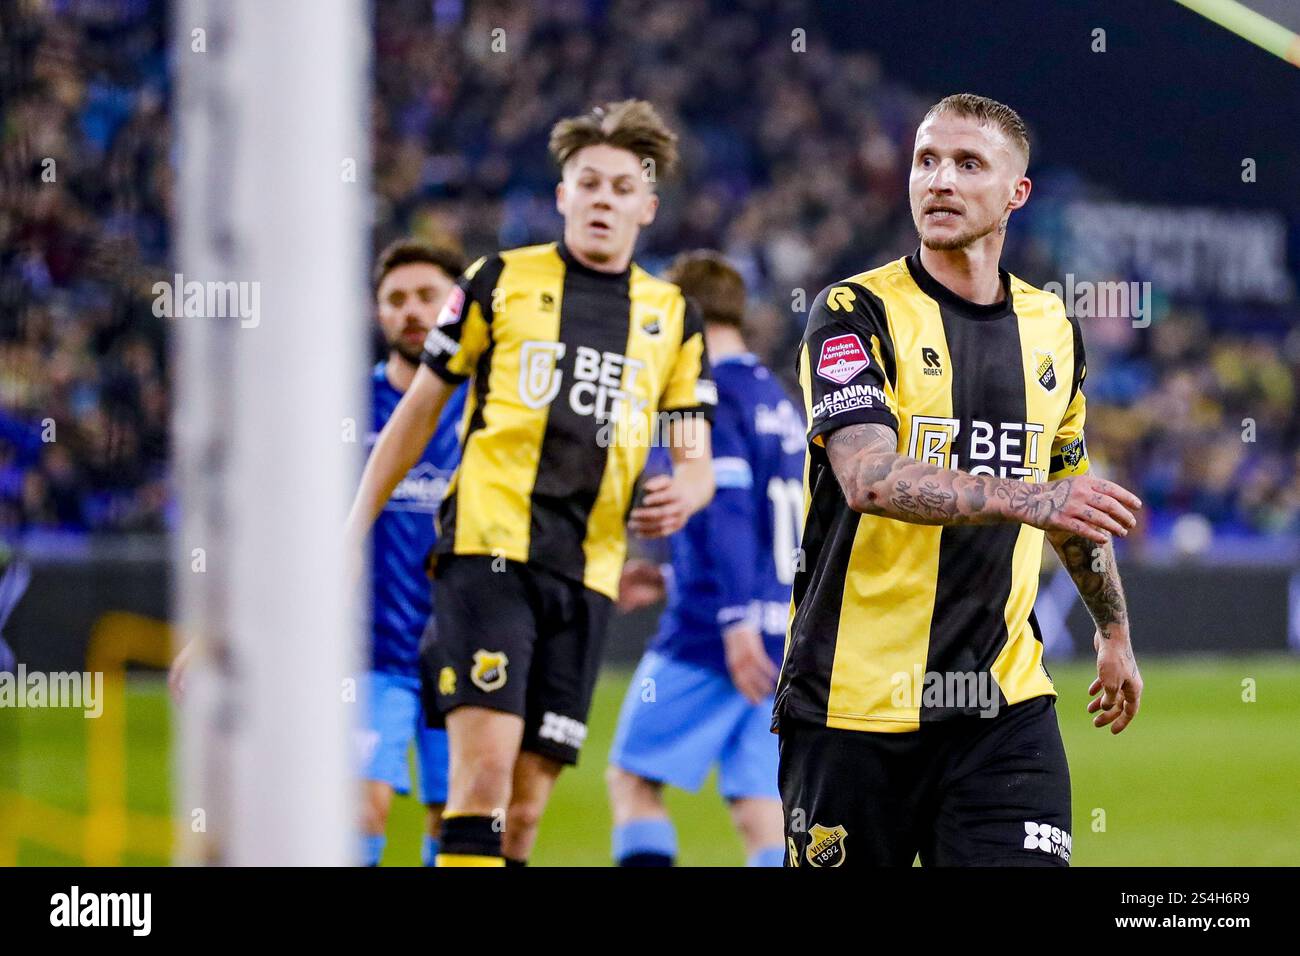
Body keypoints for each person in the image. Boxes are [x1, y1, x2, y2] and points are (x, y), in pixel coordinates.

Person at [776, 93, 1144, 868]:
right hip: (853, 705)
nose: (939, 180)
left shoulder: (1054, 329)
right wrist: (1037, 499)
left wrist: (1113, 631)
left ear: (1017, 193)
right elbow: (868, 478)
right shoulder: (852, 312)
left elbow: (1069, 494)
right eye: (926, 161)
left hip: (1001, 703)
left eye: (968, 164)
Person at [345, 100, 717, 866]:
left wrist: (689, 489)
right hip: (488, 558)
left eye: (622, 187)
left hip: (587, 579)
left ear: (646, 207)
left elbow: (695, 455)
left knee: (523, 814)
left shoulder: (673, 318)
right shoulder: (497, 281)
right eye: (590, 183)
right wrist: (354, 527)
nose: (604, 199)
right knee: (479, 782)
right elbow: (417, 413)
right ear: (562, 195)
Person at [606, 251, 803, 867]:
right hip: (782, 633)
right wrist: (670, 574)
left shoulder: (706, 395)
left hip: (713, 631)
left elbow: (729, 512)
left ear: (680, 315)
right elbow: (778, 528)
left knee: (632, 779)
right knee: (759, 806)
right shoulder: (778, 399)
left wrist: (735, 619)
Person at [359, 239, 467, 866]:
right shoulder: (342, 410)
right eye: (395, 299)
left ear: (456, 306)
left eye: (428, 296)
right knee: (359, 807)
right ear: (377, 312)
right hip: (367, 656)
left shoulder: (487, 408)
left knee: (457, 818)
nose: (411, 311)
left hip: (466, 649)